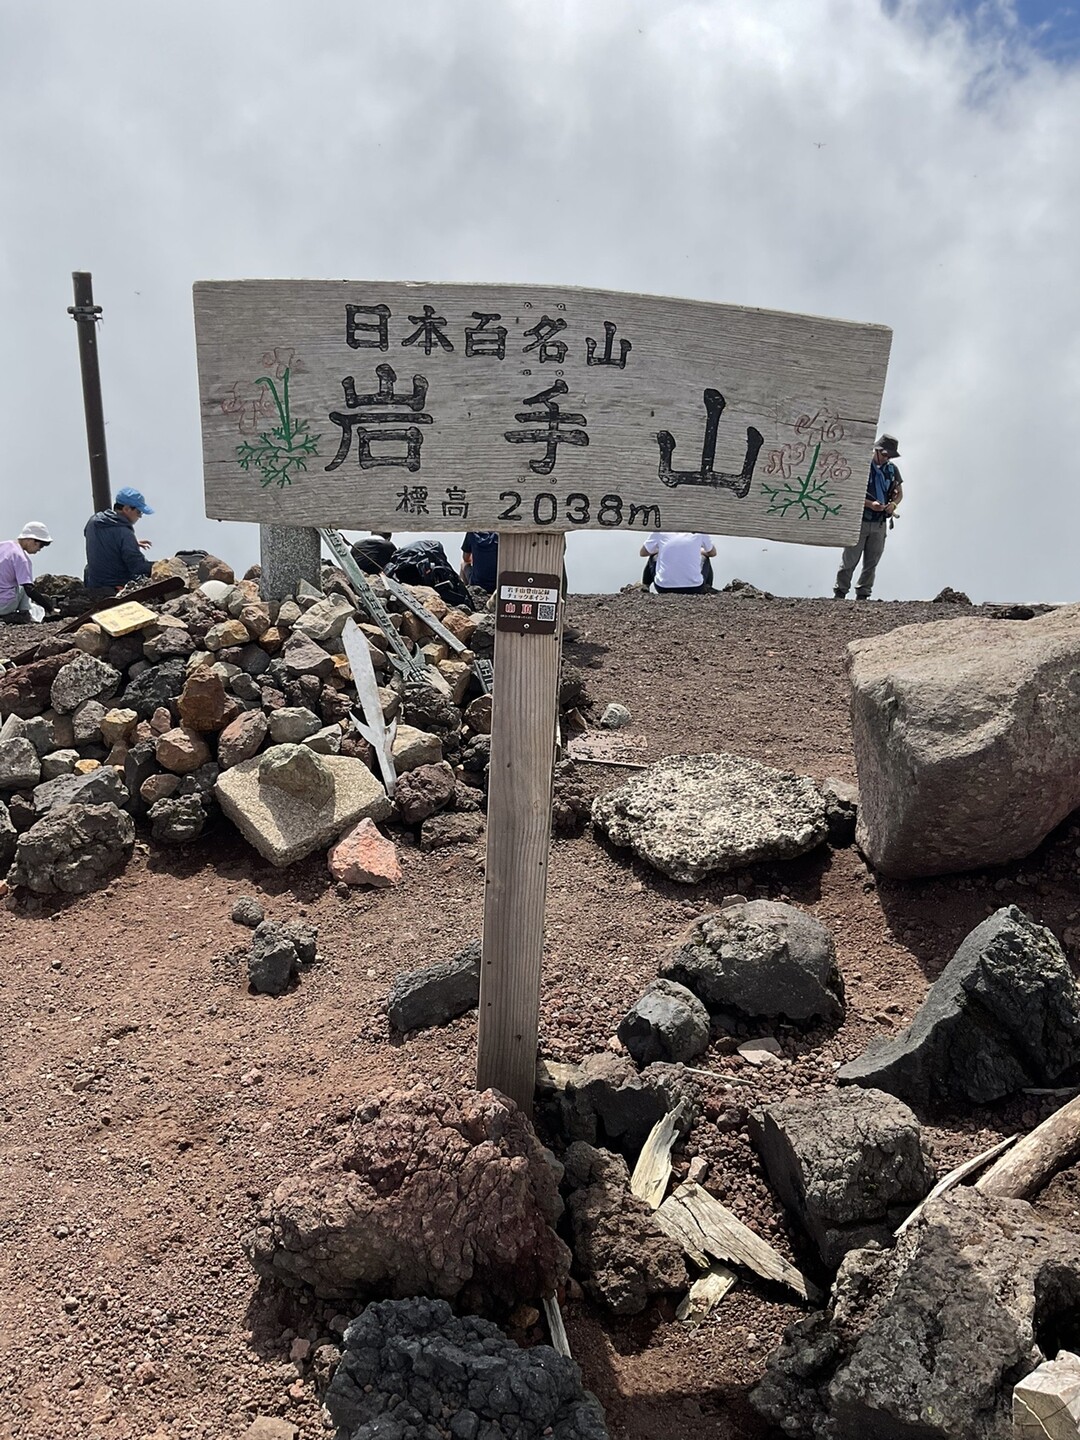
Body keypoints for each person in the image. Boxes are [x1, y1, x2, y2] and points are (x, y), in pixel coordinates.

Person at [833, 435, 903, 600]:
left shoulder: (892, 470)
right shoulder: (861, 466)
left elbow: (899, 493)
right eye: (885, 454)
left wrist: (893, 505)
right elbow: (850, 493)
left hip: (879, 524)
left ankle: (863, 594)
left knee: (872, 562)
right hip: (860, 521)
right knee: (849, 560)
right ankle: (840, 591)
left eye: (889, 455)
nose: (887, 458)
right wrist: (870, 504)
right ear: (877, 450)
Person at [84, 487, 154, 590]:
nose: (139, 516)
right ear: (126, 509)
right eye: (139, 512)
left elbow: (100, 541)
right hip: (116, 586)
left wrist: (129, 543)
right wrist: (162, 564)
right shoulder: (125, 533)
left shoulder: (93, 522)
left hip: (94, 584)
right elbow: (137, 566)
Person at [0, 521, 54, 624]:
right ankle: (24, 614)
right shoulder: (21, 559)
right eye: (41, 545)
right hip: (4, 606)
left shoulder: (3, 546)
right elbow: (29, 590)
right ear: (31, 540)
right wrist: (50, 609)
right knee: (24, 585)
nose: (39, 550)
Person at [639, 532, 717, 594]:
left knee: (653, 556)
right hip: (695, 588)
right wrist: (700, 551)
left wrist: (661, 550)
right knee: (705, 558)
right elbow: (712, 553)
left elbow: (643, 552)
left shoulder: (661, 531)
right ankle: (707, 587)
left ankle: (645, 585)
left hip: (663, 588)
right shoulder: (699, 531)